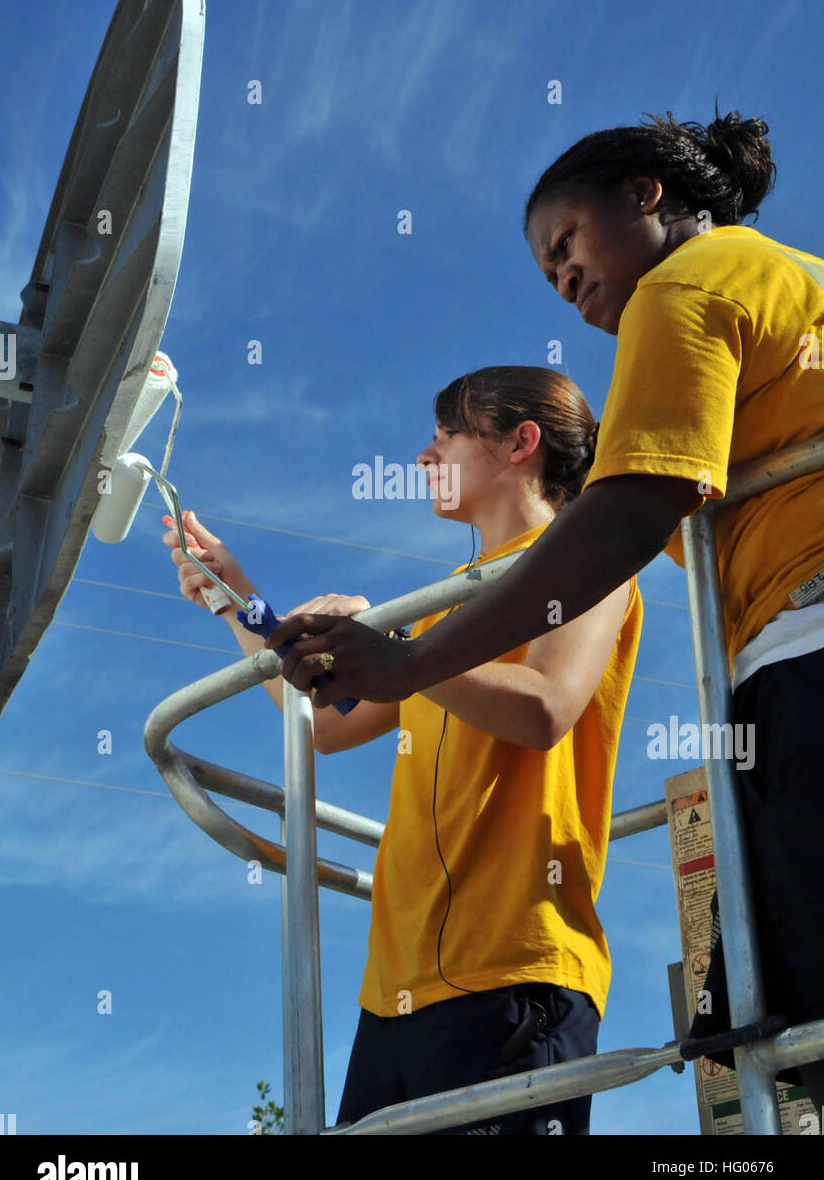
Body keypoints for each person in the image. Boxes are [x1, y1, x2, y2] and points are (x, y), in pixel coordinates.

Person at [269, 108, 824, 1110]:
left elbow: (627, 519)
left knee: (799, 1022)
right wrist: (255, 611)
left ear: (644, 197)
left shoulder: (687, 287)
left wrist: (405, 659)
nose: (563, 280)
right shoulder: (788, 277)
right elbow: (329, 726)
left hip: (805, 648)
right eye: (545, 272)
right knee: (786, 1025)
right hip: (406, 980)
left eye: (567, 244)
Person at [162, 366, 642, 1134]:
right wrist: (237, 594)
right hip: (395, 989)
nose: (423, 456)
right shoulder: (446, 602)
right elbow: (327, 725)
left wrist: (396, 641)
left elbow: (547, 709)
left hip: (512, 970)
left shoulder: (584, 564)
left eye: (446, 434)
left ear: (521, 443)